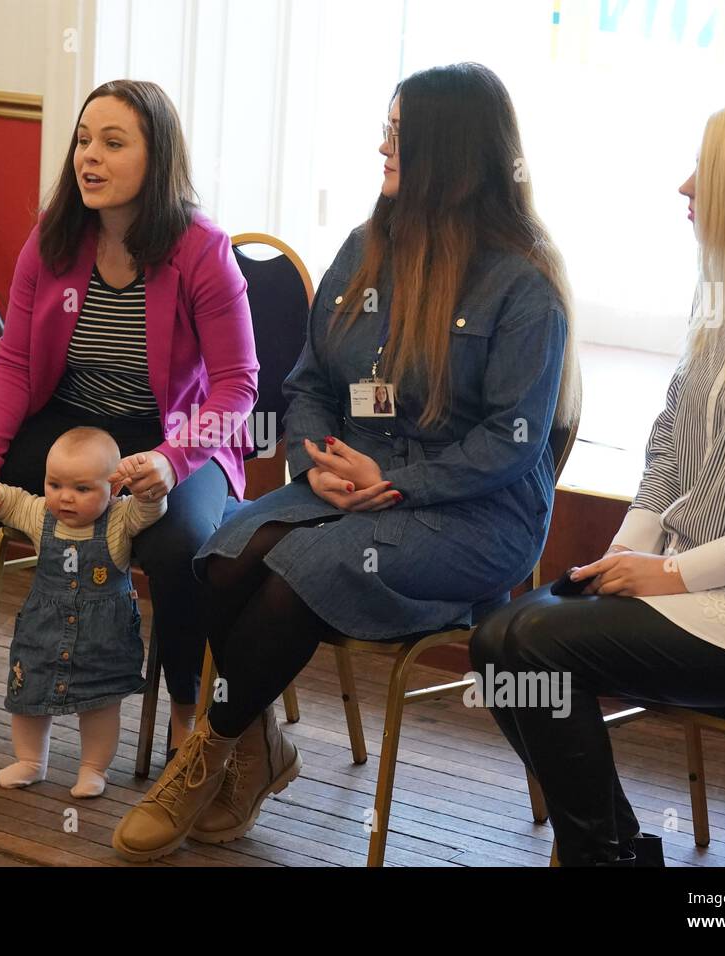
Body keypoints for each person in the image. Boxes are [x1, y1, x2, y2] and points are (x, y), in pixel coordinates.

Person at [113, 62, 580, 862]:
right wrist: (311, 459)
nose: (382, 147)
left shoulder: (524, 282)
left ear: (452, 150)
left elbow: (513, 443)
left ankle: (207, 756)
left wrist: (392, 480)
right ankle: (261, 749)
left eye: (398, 135)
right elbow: (310, 383)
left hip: (474, 515)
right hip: (350, 484)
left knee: (301, 574)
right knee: (220, 555)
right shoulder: (367, 249)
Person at [468, 100, 725, 867]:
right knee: (496, 643)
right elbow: (670, 446)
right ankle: (615, 849)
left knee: (536, 648)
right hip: (702, 590)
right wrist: (622, 557)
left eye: (706, 173)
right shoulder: (722, 299)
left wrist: (670, 573)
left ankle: (605, 855)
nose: (684, 186)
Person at [0, 79, 258, 777]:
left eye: (113, 143)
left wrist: (172, 460)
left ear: (156, 157)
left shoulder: (202, 249)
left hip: (170, 435)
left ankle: (190, 716)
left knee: (182, 545)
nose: (89, 159)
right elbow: (14, 360)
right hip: (69, 423)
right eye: (83, 141)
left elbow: (237, 386)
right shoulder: (53, 239)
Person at [0, 427, 164, 798]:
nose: (65, 498)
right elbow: (9, 500)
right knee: (28, 699)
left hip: (102, 640)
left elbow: (150, 509)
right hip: (42, 634)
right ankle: (31, 760)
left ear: (114, 490)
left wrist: (150, 490)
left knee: (100, 704)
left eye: (82, 489)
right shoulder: (38, 514)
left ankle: (94, 768)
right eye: (55, 484)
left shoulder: (119, 520)